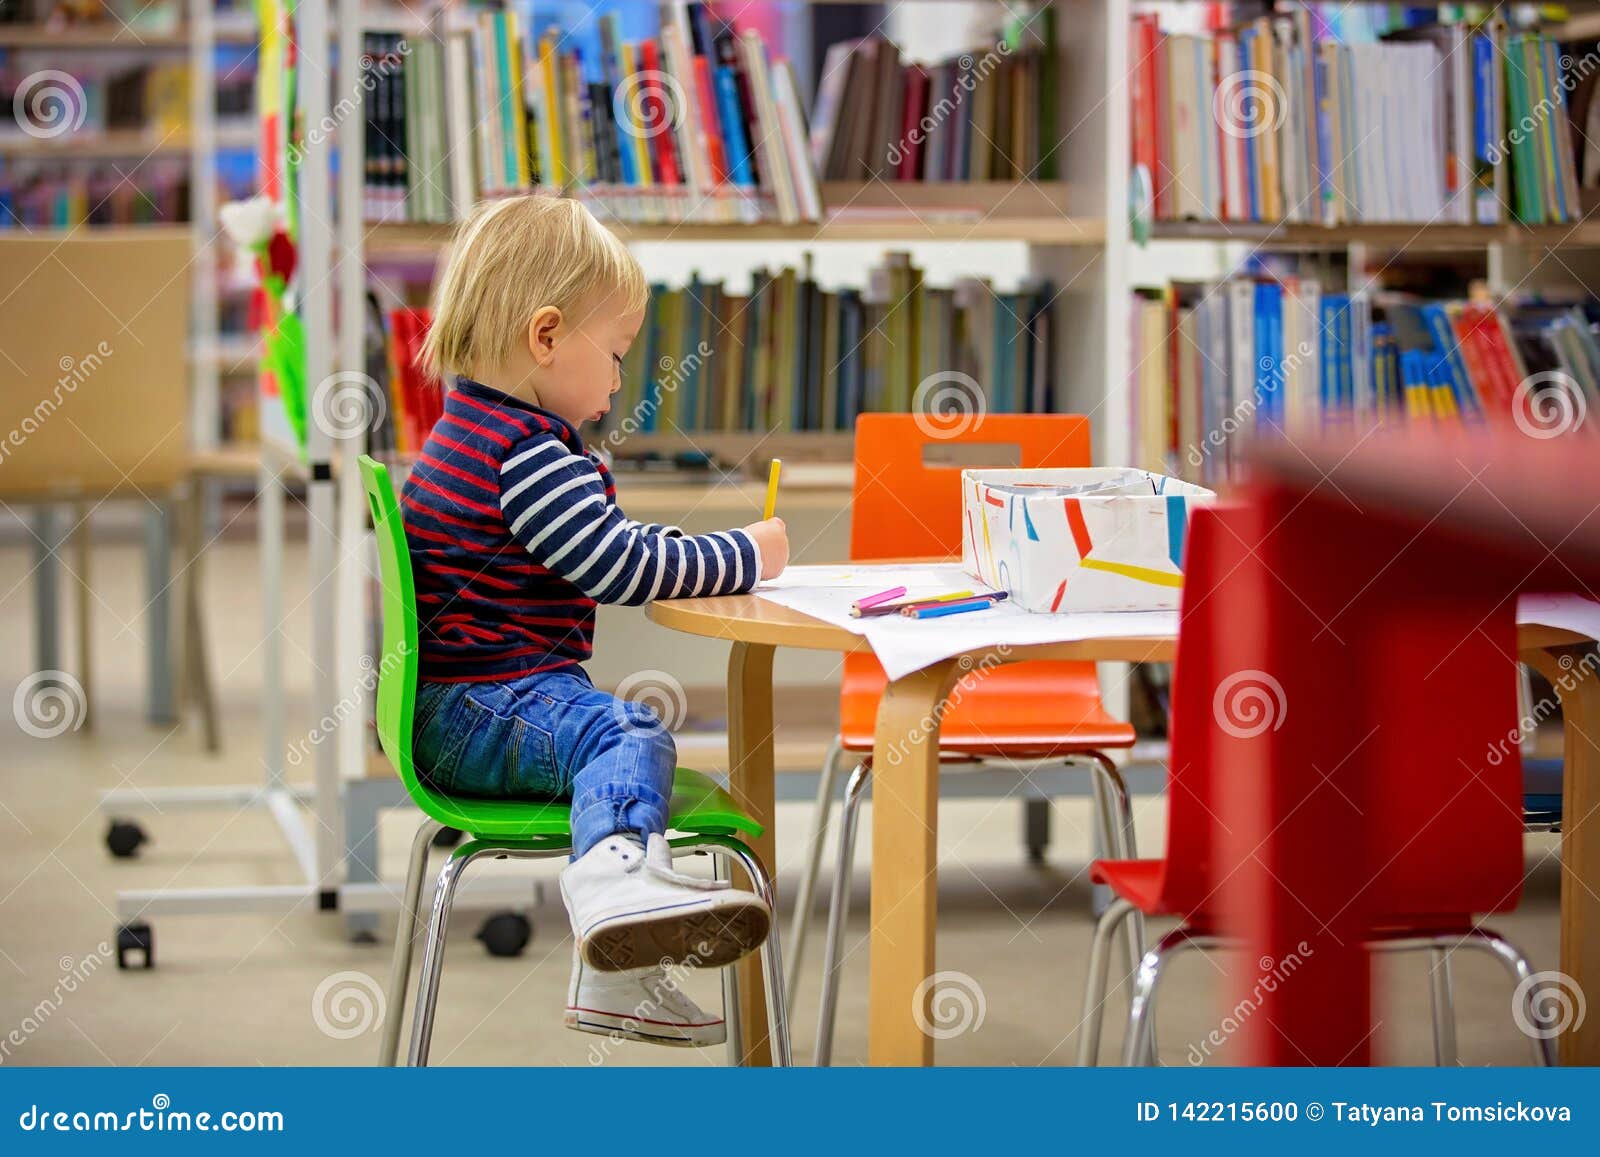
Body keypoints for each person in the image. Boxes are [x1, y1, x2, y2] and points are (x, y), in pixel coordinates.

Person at [402, 194, 789, 1047]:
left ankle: (618, 951)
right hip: (484, 707)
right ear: (545, 337)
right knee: (629, 734)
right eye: (614, 354)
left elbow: (609, 539)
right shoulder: (528, 453)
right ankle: (613, 893)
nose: (620, 380)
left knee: (618, 734)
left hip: (459, 708)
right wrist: (747, 556)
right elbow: (620, 564)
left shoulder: (464, 427)